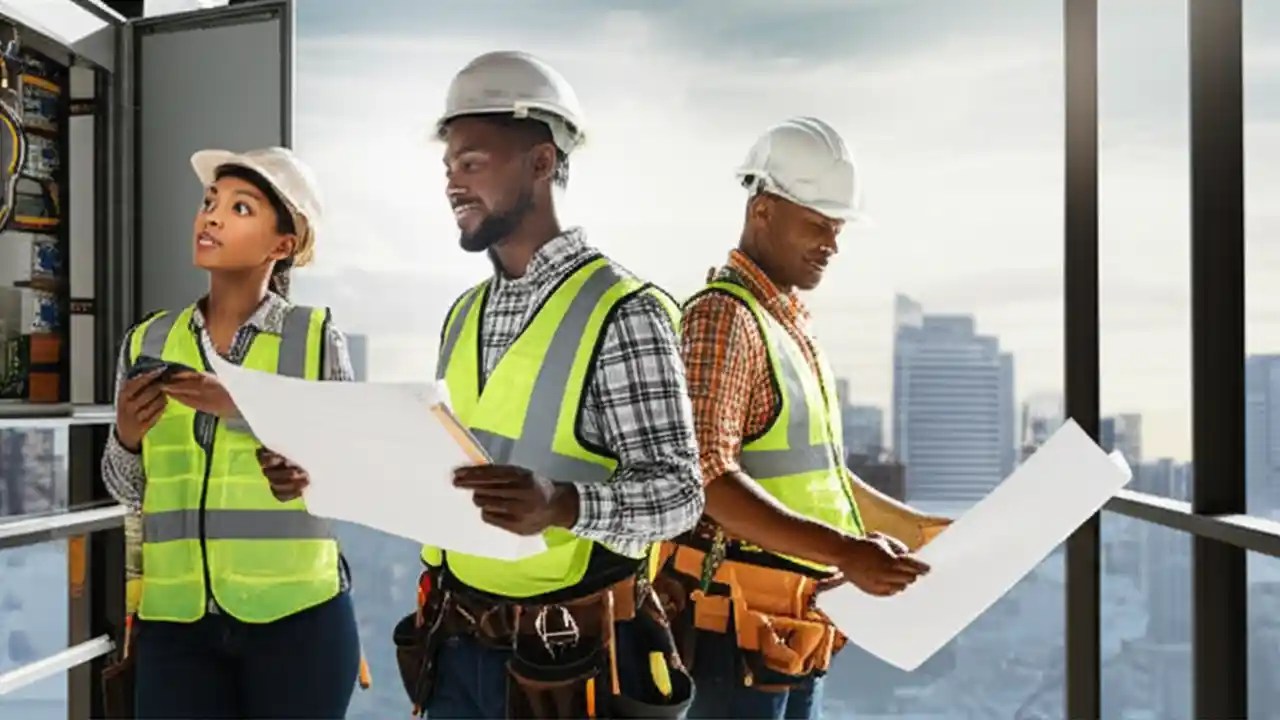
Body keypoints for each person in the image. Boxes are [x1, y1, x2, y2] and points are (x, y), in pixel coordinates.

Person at [393, 50, 704, 719]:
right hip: (455, 647)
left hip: (572, 662)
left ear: (540, 161)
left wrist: (563, 505)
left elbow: (681, 496)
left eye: (471, 162)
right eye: (448, 166)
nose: (451, 183)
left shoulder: (625, 312)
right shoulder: (463, 314)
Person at [654, 117, 953, 719]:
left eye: (838, 228)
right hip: (731, 636)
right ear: (762, 209)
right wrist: (848, 552)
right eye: (818, 223)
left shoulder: (786, 320)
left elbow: (819, 474)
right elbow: (706, 480)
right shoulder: (723, 319)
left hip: (791, 629)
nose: (832, 244)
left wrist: (916, 529)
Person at [100, 146, 361, 719]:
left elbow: (349, 476)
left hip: (298, 624)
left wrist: (245, 407)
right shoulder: (146, 342)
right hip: (176, 625)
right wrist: (125, 437)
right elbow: (126, 489)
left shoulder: (313, 340)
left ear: (282, 245)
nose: (211, 217)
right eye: (208, 203)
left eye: (240, 208)